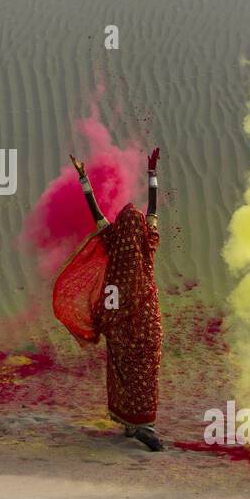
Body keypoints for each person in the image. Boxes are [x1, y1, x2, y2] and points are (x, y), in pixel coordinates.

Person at [53, 148, 165, 451]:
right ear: (139, 229)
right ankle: (144, 424)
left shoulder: (114, 240)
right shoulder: (148, 243)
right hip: (148, 322)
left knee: (121, 369)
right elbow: (153, 211)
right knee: (146, 373)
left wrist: (83, 178)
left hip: (120, 324)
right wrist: (152, 175)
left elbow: (96, 212)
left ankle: (131, 423)